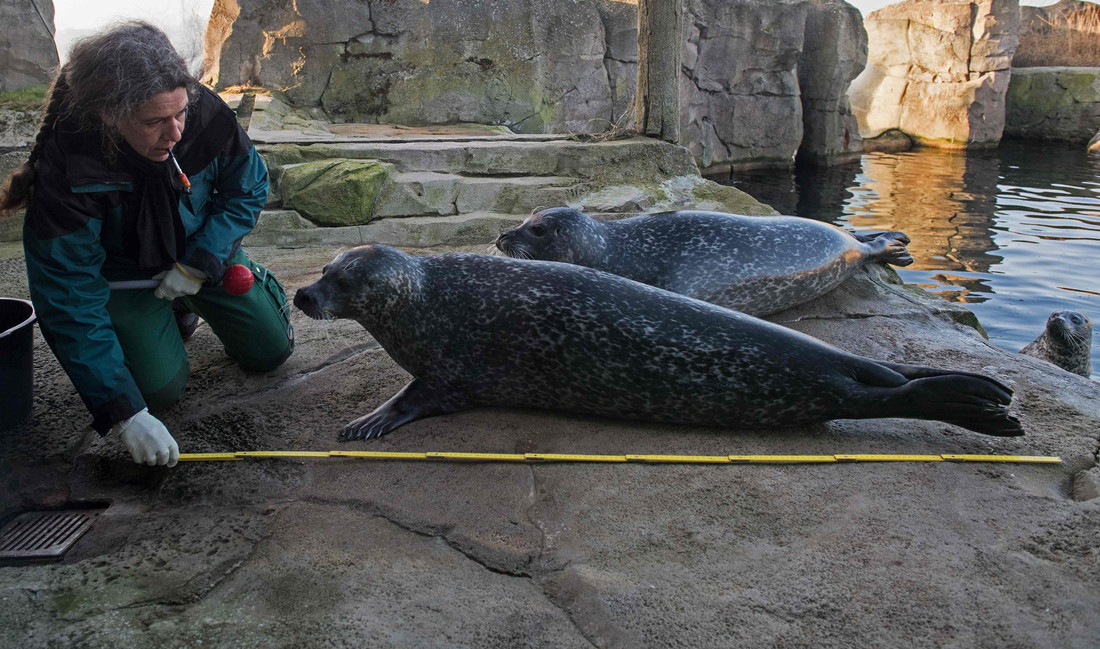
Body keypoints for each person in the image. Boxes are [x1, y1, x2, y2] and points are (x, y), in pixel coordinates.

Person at [0, 22, 294, 468]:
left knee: (272, 351)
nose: (175, 132)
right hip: (126, 277)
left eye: (180, 114)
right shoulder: (67, 164)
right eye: (155, 122)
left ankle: (192, 302)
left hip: (204, 253)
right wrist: (124, 412)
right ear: (108, 115)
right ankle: (164, 320)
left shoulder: (201, 110)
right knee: (159, 392)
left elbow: (247, 187)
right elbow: (67, 295)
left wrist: (203, 260)